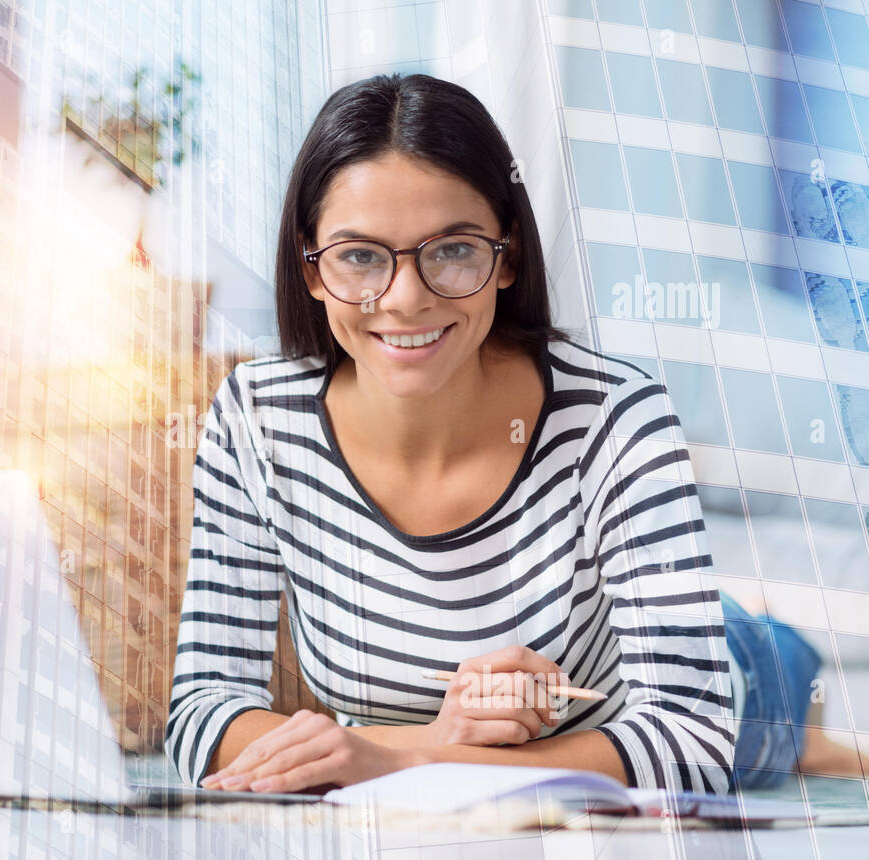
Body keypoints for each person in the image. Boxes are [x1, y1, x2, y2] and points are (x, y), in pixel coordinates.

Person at [165, 73, 867, 796]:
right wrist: (433, 739)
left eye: (453, 250)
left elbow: (694, 734)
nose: (405, 298)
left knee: (775, 694)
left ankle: (816, 735)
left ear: (508, 255)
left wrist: (400, 759)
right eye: (360, 256)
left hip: (730, 677)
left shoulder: (616, 417)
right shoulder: (255, 420)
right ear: (310, 266)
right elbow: (199, 712)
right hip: (532, 742)